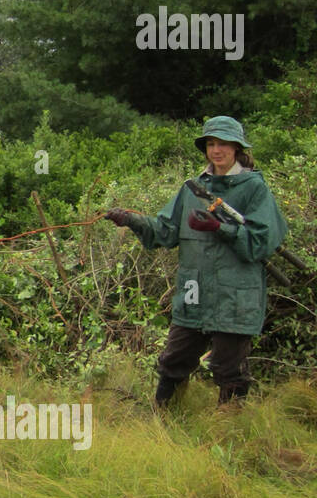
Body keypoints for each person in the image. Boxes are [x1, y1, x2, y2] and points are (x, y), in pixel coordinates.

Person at [105, 116, 288, 409]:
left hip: (236, 295)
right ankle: (163, 426)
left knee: (229, 370)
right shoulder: (192, 189)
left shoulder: (254, 188)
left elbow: (262, 241)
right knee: (173, 361)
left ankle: (228, 433)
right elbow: (165, 232)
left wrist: (220, 229)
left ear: (237, 148)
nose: (217, 150)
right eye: (211, 144)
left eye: (224, 144)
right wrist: (132, 220)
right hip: (194, 293)